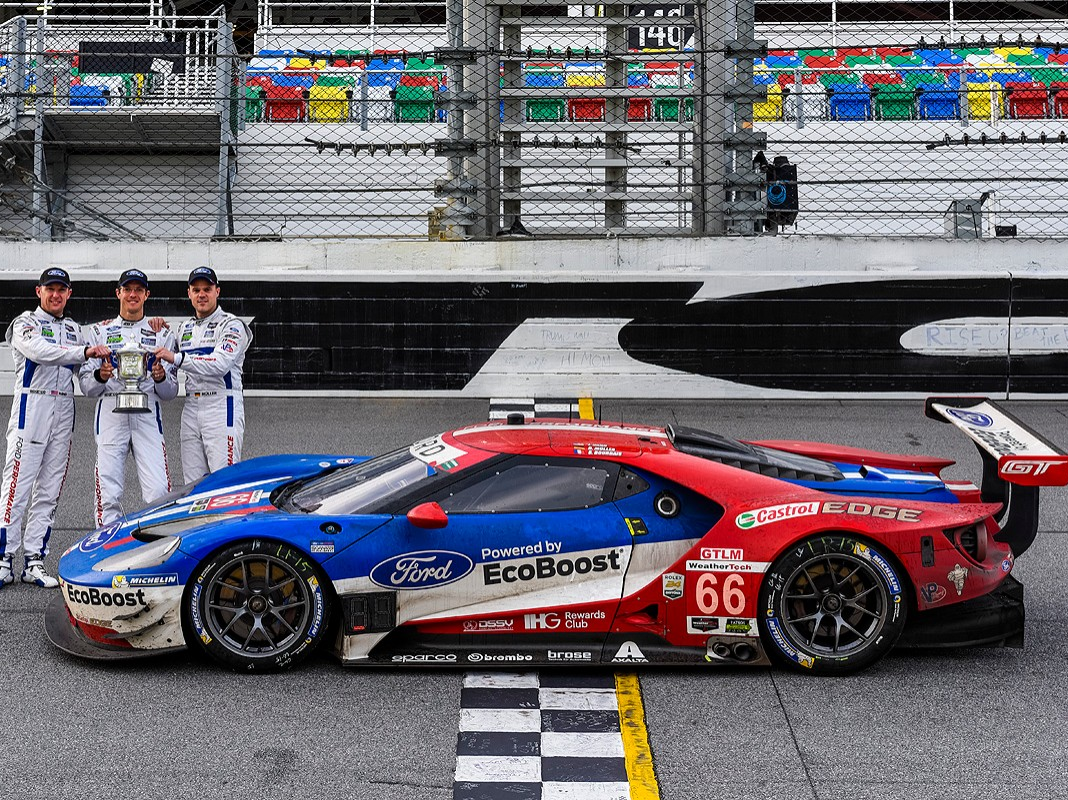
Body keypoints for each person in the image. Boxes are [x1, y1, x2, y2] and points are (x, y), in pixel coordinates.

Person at [0, 268, 111, 589]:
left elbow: (88, 384)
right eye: (50, 289)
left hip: (64, 410)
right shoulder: (25, 323)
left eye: (62, 290)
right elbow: (40, 353)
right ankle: (3, 558)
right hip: (30, 410)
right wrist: (84, 352)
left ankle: (34, 560)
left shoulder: (77, 330)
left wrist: (101, 375)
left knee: (49, 490)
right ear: (39, 291)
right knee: (17, 485)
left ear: (69, 294)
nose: (56, 294)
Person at [79, 269, 179, 527]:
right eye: (127, 289)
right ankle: (104, 555)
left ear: (146, 294)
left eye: (138, 290)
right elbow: (87, 388)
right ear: (118, 292)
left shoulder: (162, 333)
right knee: (108, 493)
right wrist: (101, 376)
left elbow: (170, 393)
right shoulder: (99, 332)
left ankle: (156, 554)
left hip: (147, 411)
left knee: (159, 492)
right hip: (111, 409)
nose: (132, 294)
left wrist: (159, 377)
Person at [154, 266, 252, 484]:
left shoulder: (232, 324)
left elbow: (219, 364)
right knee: (193, 485)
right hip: (190, 407)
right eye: (196, 290)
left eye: (207, 289)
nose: (201, 295)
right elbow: (168, 380)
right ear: (189, 293)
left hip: (222, 404)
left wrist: (177, 358)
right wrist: (156, 328)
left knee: (224, 483)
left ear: (217, 291)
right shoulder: (183, 328)